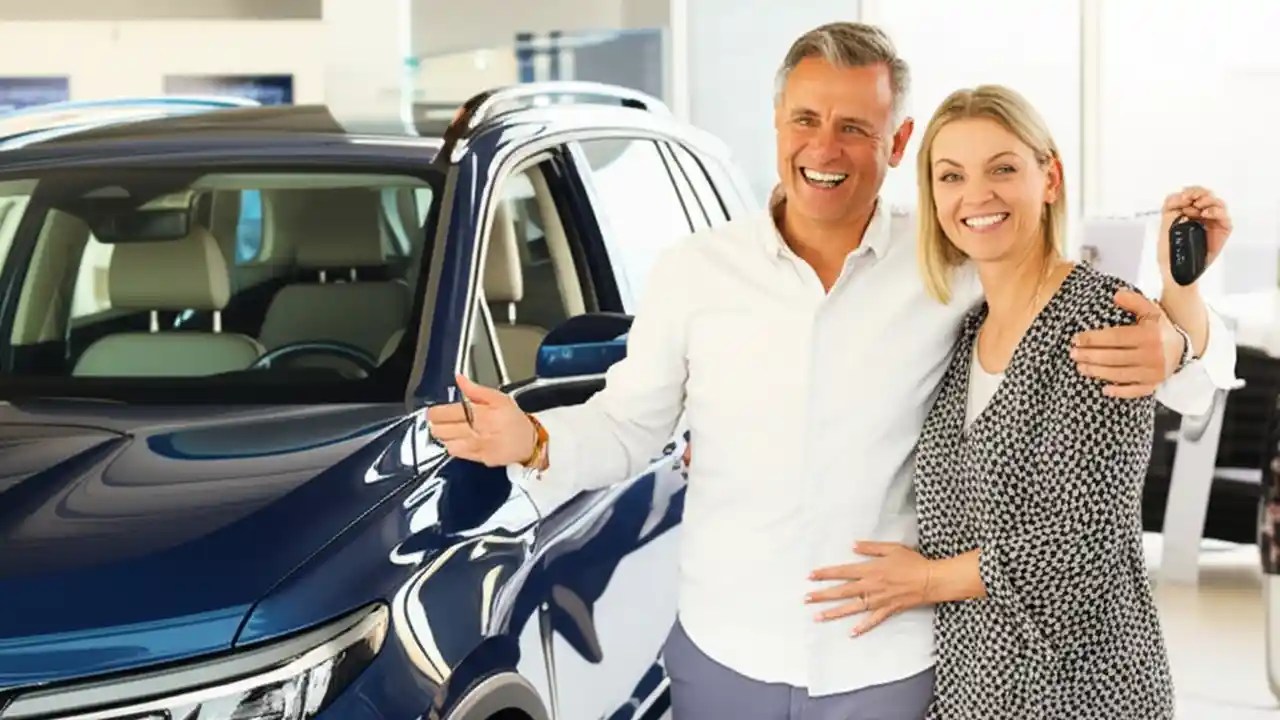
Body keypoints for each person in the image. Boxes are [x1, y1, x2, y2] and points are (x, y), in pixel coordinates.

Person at [427, 22, 1239, 720]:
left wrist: (1179, 340)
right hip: (724, 651)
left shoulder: (952, 258)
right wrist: (531, 436)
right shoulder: (694, 271)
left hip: (887, 664)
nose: (825, 147)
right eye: (806, 119)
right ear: (775, 123)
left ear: (897, 142)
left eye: (855, 126)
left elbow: (1084, 303)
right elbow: (628, 424)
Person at [804, 84, 1231, 718]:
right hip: (974, 686)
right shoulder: (963, 329)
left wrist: (923, 580)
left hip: (1085, 691)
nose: (976, 195)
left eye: (1003, 168)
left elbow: (1080, 546)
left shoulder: (1098, 320)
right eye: (951, 176)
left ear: (1049, 177)